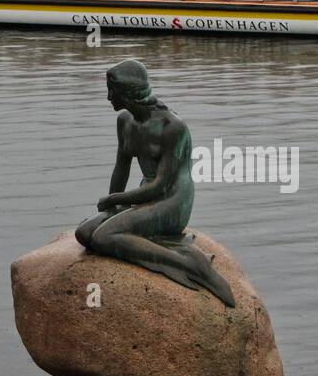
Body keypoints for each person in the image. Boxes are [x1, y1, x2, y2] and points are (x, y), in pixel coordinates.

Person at [75, 60, 235, 307]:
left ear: (128, 92)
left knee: (105, 237)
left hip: (172, 200)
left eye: (112, 91)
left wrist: (115, 200)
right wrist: (111, 208)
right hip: (145, 194)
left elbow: (161, 185)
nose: (108, 97)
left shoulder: (173, 127)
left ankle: (191, 264)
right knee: (85, 233)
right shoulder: (125, 121)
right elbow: (121, 168)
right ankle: (155, 243)